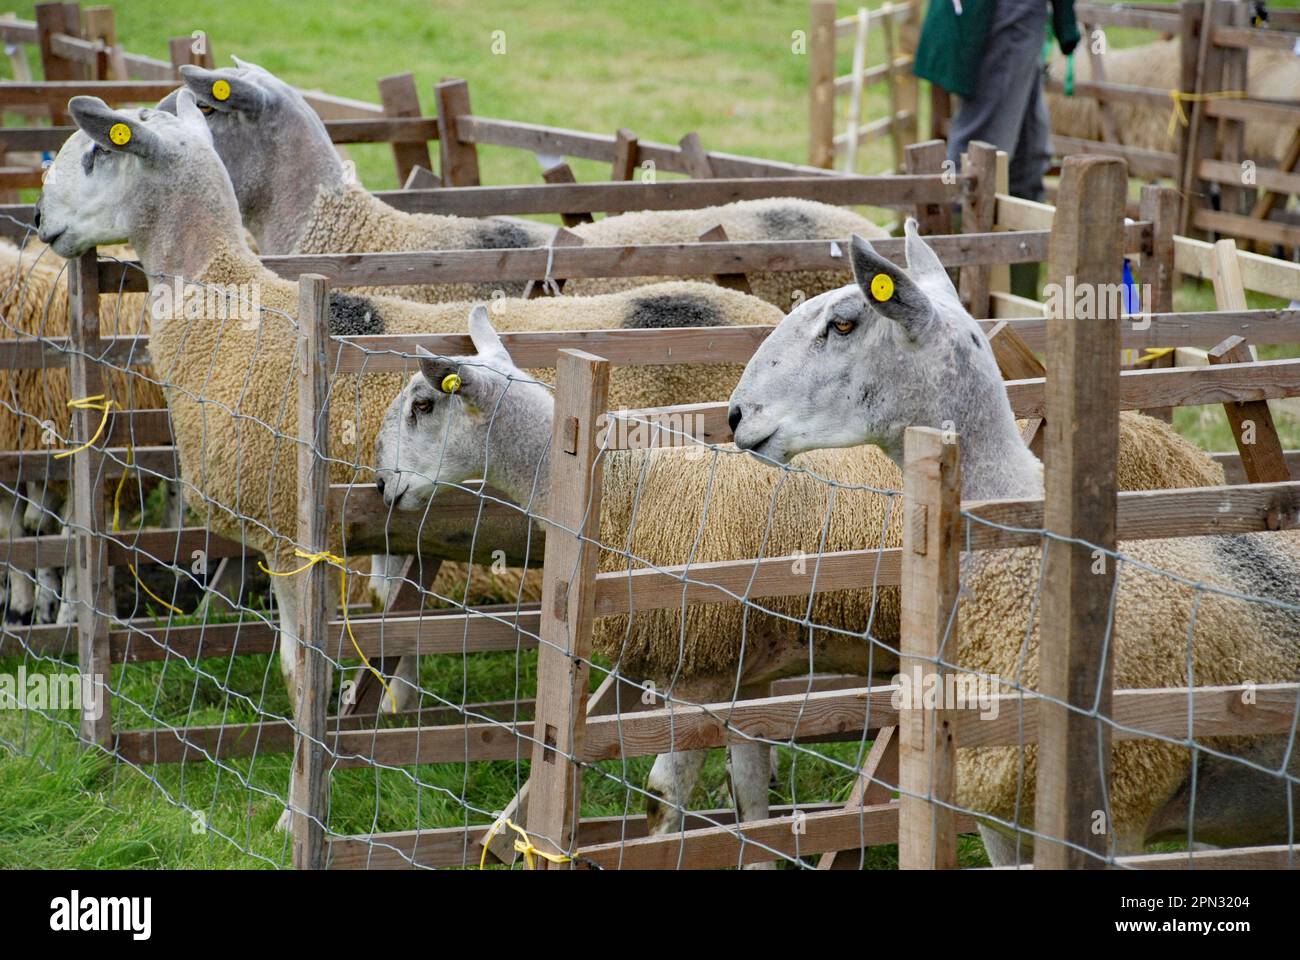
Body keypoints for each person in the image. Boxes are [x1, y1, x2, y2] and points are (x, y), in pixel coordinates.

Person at [914, 0, 1080, 202]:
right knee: (980, 148)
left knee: (1028, 147)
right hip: (1004, 11)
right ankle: (956, 221)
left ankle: (1024, 227)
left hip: (1020, 13)